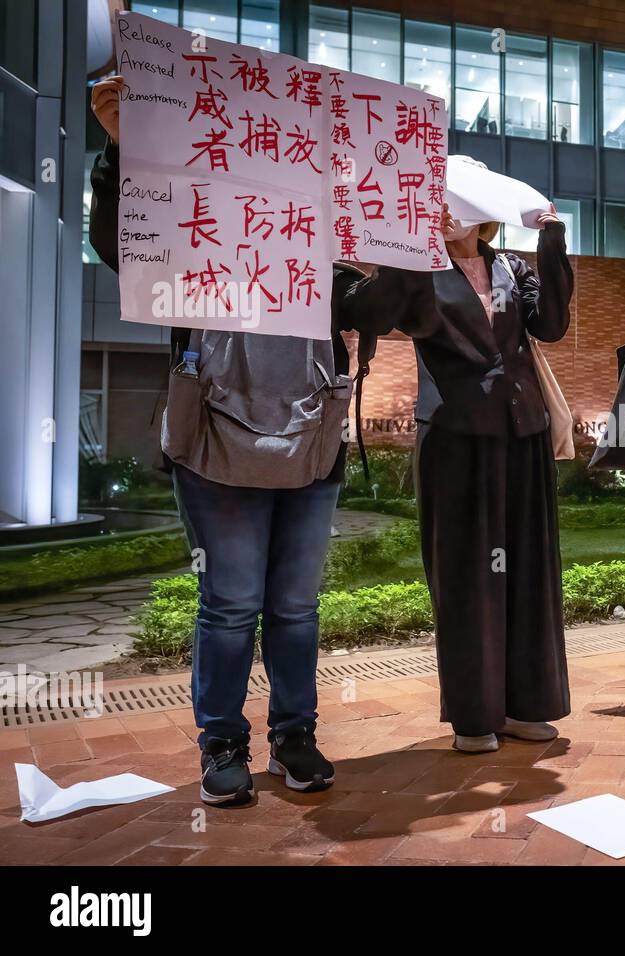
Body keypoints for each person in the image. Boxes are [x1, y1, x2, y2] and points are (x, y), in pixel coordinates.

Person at [88, 76, 345, 805]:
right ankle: (222, 743)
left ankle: (294, 737)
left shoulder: (326, 237)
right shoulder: (196, 223)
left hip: (311, 443)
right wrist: (115, 152)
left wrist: (396, 239)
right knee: (230, 604)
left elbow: (382, 303)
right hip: (215, 441)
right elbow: (121, 244)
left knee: (296, 606)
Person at [340, 172, 573, 754]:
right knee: (467, 574)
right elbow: (388, 315)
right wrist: (409, 245)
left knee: (528, 569)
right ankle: (475, 714)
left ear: (485, 212)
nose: (446, 213)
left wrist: (551, 244)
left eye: (457, 205)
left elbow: (551, 324)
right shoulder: (423, 272)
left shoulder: (510, 270)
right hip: (455, 435)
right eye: (438, 204)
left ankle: (525, 705)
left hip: (523, 431)